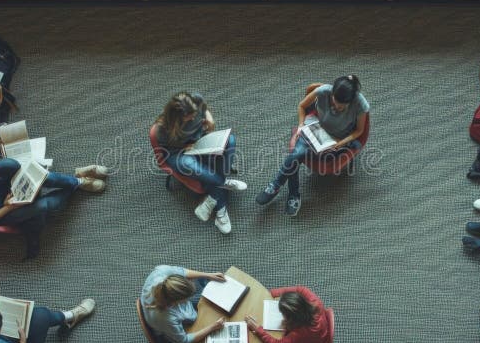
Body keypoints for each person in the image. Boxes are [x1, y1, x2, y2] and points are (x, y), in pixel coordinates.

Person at [0, 146, 107, 258]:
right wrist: (9, 206)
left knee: (15, 165)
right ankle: (78, 182)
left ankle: (78, 180)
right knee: (44, 206)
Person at [255, 75, 369, 216]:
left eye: (341, 106)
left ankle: (284, 191)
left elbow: (359, 131)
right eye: (334, 101)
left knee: (296, 155)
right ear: (332, 93)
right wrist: (301, 126)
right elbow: (302, 106)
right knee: (297, 154)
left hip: (337, 139)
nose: (336, 107)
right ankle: (284, 189)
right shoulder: (324, 91)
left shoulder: (360, 104)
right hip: (316, 127)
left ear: (351, 101)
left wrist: (341, 143)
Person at [154, 92, 246, 235]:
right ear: (176, 117)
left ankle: (212, 199)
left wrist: (209, 117)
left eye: (194, 114)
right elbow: (166, 151)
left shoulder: (196, 100)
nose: (193, 118)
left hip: (200, 142)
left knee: (231, 140)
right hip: (179, 154)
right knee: (191, 165)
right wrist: (185, 148)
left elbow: (204, 108)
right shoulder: (162, 129)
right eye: (188, 118)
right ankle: (222, 192)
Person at [140, 265, 226, 343]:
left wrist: (208, 275)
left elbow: (184, 272)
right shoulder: (167, 318)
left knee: (203, 281)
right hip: (168, 329)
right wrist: (213, 327)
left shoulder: (161, 271)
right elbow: (184, 341)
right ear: (177, 302)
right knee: (204, 317)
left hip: (164, 314)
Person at [244, 286, 330, 343]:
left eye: (283, 314)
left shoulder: (300, 334)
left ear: (292, 319)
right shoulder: (314, 301)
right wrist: (271, 293)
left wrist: (258, 329)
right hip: (319, 336)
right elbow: (299, 289)